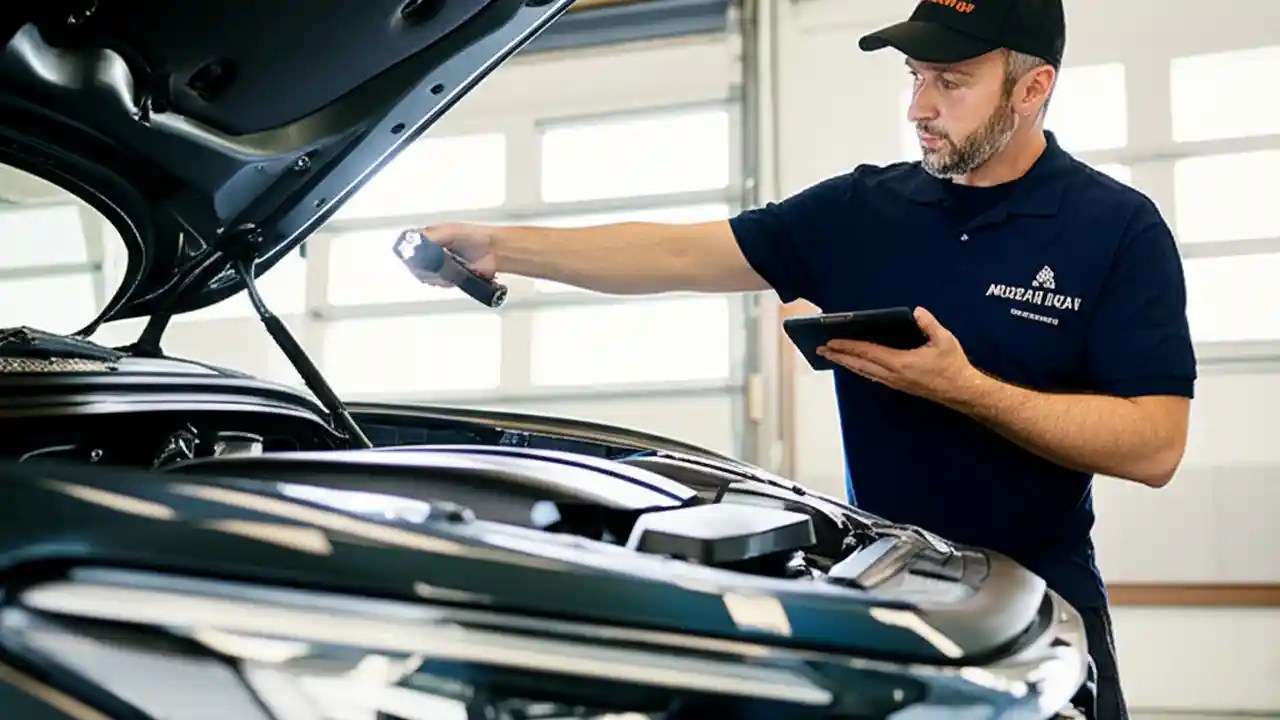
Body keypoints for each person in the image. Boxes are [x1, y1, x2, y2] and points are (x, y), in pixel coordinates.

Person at [411, 0, 1195, 716]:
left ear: (1033, 89)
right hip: (885, 594)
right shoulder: (861, 211)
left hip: (1041, 609)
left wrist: (967, 390)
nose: (920, 107)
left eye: (951, 82)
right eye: (915, 77)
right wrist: (504, 245)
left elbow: (1155, 445)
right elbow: (677, 254)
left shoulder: (1117, 229)